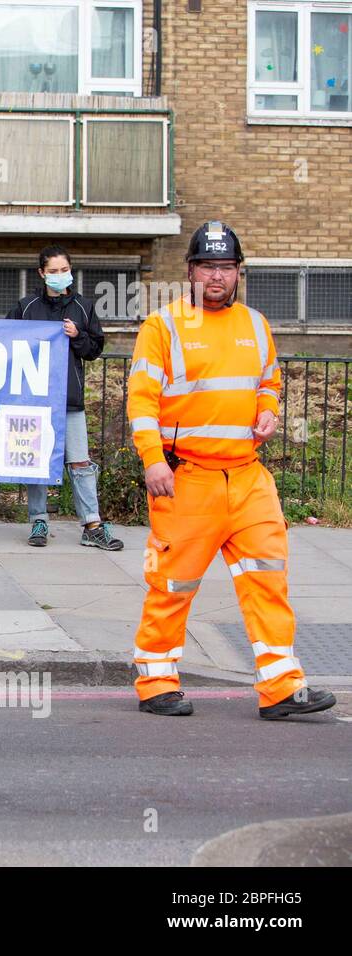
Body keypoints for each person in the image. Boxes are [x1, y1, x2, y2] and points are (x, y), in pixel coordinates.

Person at [127, 221, 336, 720]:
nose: (216, 277)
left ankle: (282, 687)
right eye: (207, 266)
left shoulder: (255, 325)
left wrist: (269, 409)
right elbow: (141, 401)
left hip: (247, 477)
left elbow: (269, 379)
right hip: (187, 479)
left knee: (268, 578)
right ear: (191, 270)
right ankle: (156, 681)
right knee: (173, 584)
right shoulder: (164, 326)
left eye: (226, 267)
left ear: (238, 272)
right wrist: (153, 460)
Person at [0, 245, 123, 551]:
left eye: (64, 270)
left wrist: (77, 337)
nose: (60, 276)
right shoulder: (27, 306)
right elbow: (4, 339)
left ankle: (92, 524)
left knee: (80, 461)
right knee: (36, 460)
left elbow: (94, 349)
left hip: (70, 399)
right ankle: (39, 520)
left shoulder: (83, 307)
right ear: (42, 273)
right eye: (53, 271)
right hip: (34, 399)